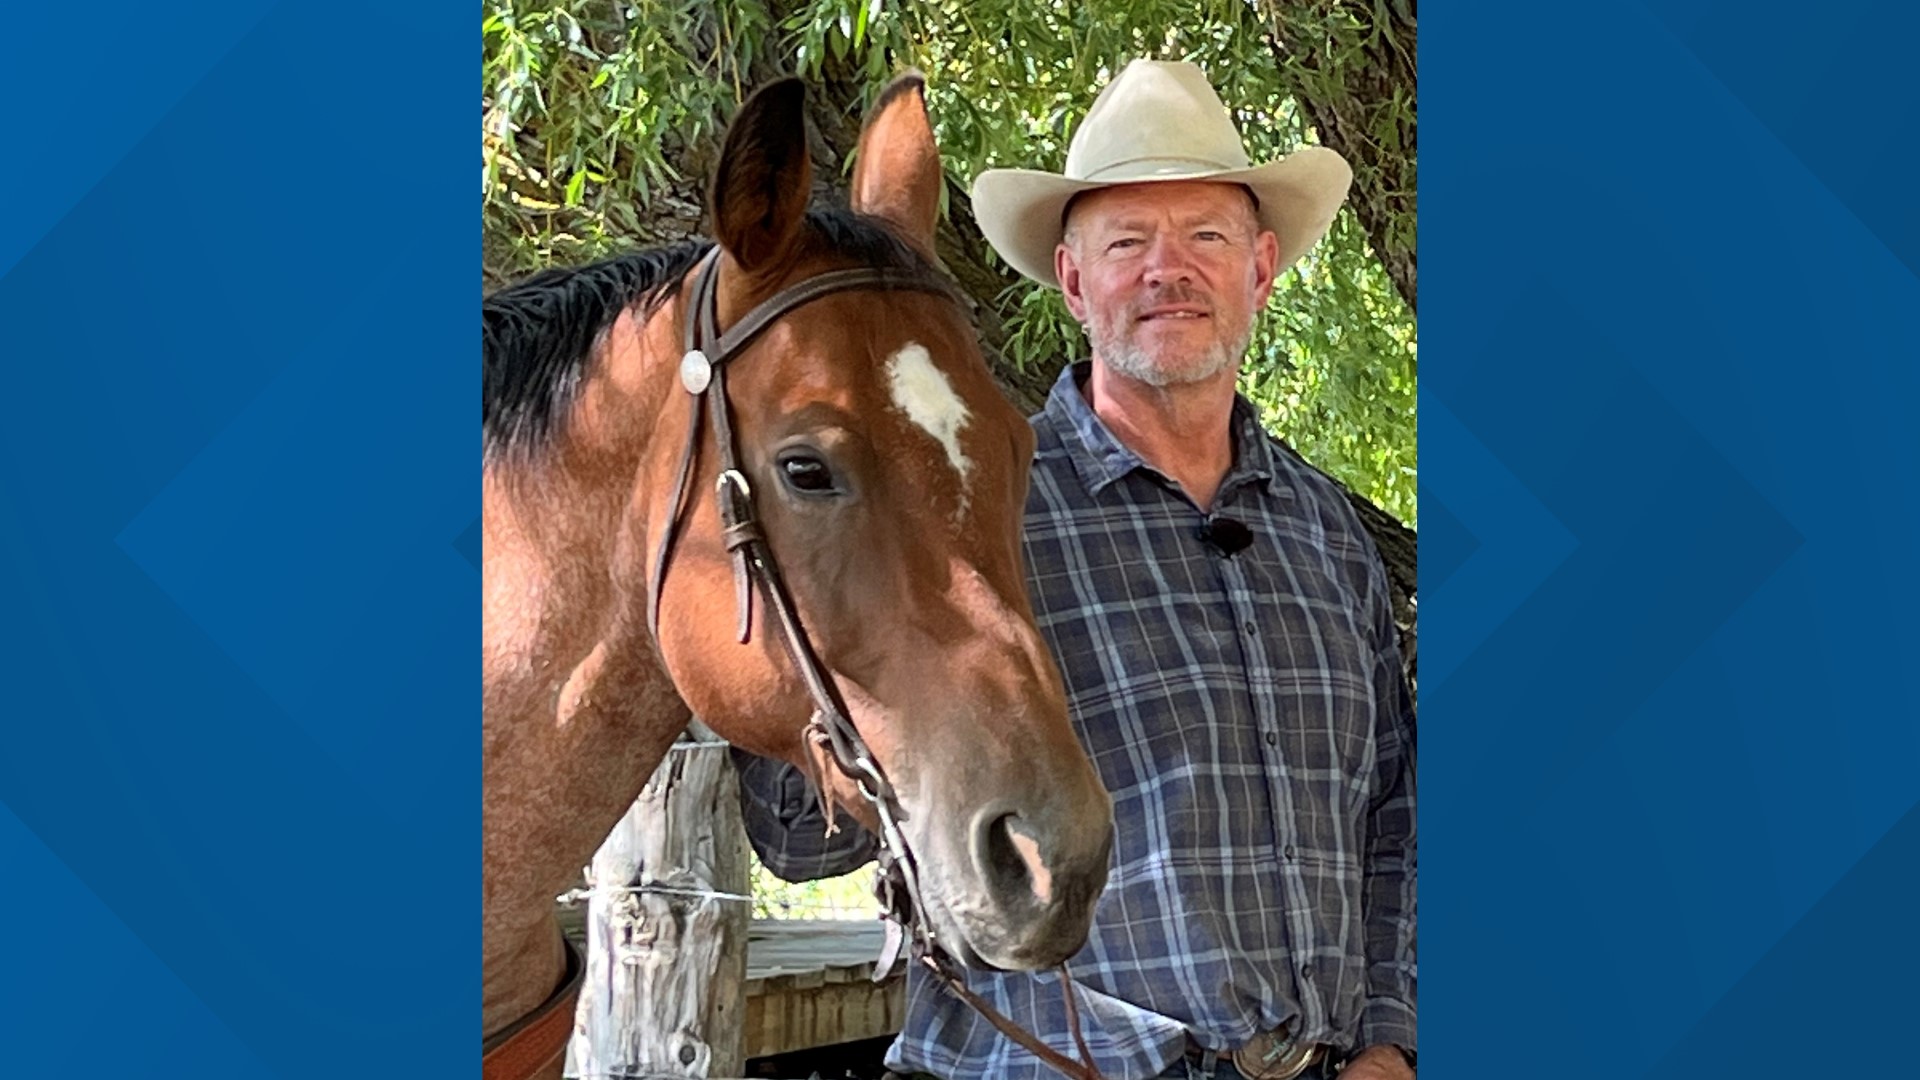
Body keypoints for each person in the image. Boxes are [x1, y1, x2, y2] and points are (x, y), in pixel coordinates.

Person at [734, 58, 1416, 1080]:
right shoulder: (970, 510)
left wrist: (1392, 1043)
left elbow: (1399, 814)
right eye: (1127, 241)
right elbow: (804, 841)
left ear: (1262, 268)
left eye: (1206, 236)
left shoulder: (1328, 536)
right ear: (1072, 280)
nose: (1166, 270)